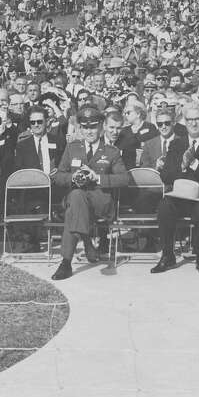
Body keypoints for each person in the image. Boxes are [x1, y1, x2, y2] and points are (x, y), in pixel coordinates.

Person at [51, 105, 130, 280]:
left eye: (93, 126)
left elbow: (124, 179)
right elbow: (58, 176)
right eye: (85, 127)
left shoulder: (112, 151)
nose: (89, 131)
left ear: (101, 126)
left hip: (100, 202)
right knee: (77, 197)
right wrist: (73, 177)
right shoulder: (72, 148)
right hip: (77, 199)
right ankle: (74, 254)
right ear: (79, 128)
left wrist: (98, 178)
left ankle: (70, 259)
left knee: (75, 203)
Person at [150, 105, 199, 274]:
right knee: (164, 207)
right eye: (189, 120)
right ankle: (167, 255)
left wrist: (194, 164)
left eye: (197, 119)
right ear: (184, 122)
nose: (193, 123)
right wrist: (182, 167)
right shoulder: (177, 143)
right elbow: (166, 176)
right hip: (180, 195)